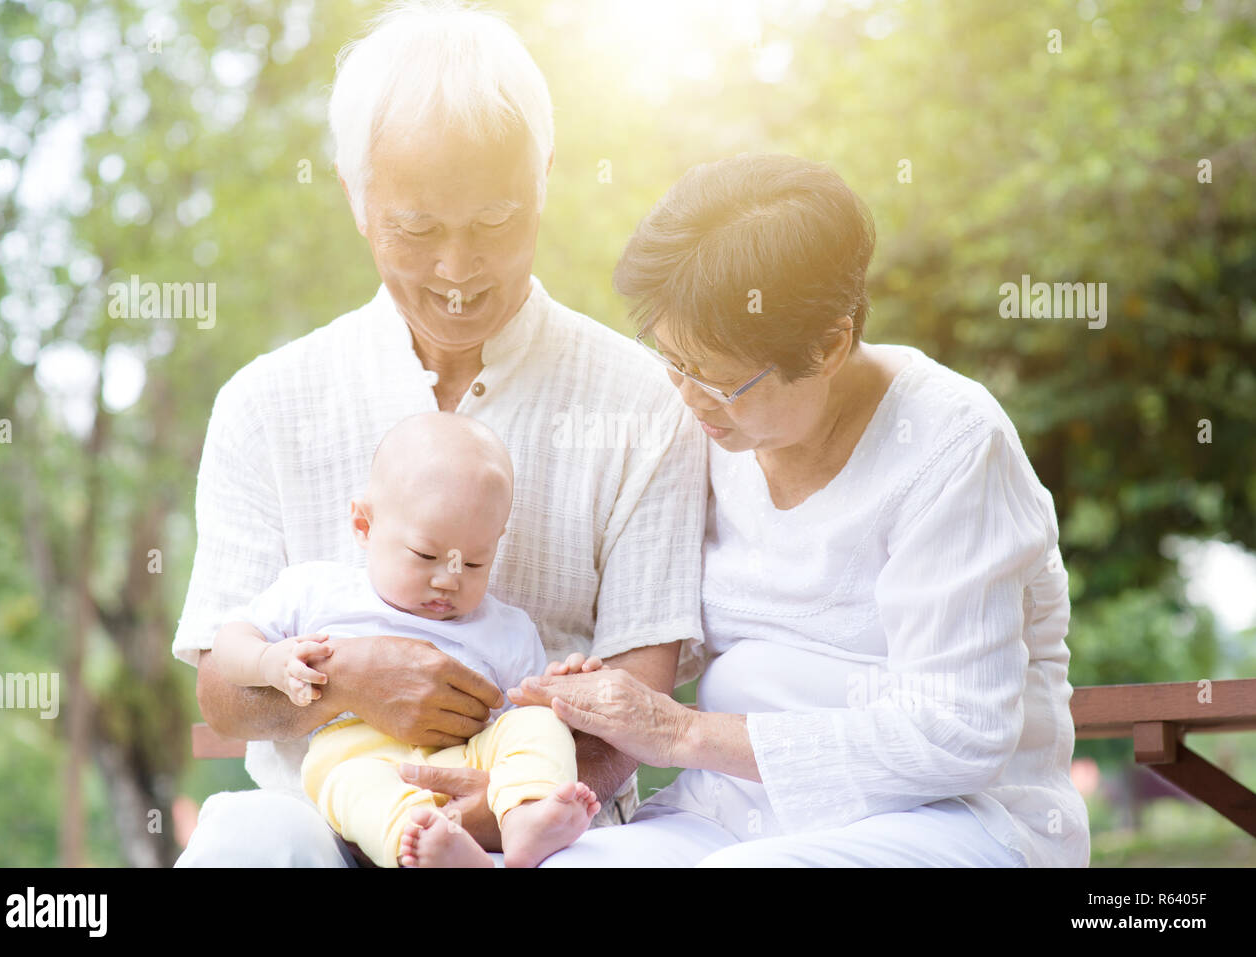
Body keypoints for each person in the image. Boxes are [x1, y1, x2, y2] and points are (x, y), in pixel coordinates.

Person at [173, 0, 705, 866]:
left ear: (544, 178)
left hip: (552, 825)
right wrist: (346, 680)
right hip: (325, 812)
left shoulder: (644, 403)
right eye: (416, 230)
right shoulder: (265, 402)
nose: (458, 272)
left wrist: (501, 809)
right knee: (242, 840)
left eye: (494, 223)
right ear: (355, 198)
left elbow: (639, 705)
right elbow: (225, 699)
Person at [517, 153, 1092, 867]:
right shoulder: (705, 430)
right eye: (672, 360)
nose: (689, 396)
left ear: (829, 345)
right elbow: (671, 633)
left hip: (953, 818)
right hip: (733, 810)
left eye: (721, 379)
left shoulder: (951, 442)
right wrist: (575, 708)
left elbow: (958, 732)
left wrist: (682, 733)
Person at [209, 413, 600, 868]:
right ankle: (423, 844)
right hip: (360, 755)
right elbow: (228, 641)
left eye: (474, 563)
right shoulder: (317, 593)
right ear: (364, 526)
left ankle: (526, 818)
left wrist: (558, 694)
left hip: (470, 759)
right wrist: (269, 661)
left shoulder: (508, 629)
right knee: (349, 785)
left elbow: (519, 717)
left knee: (537, 727)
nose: (448, 580)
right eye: (426, 555)